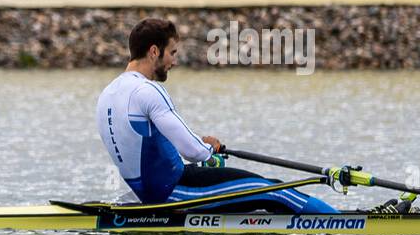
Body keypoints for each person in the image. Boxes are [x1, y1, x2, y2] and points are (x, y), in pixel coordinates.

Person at [96, 19, 338, 213]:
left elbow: (145, 143)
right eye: (172, 52)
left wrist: (201, 146)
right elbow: (192, 152)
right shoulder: (147, 91)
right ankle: (342, 224)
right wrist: (209, 151)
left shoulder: (107, 95)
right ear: (153, 52)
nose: (174, 61)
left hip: (149, 193)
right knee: (273, 190)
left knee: (253, 193)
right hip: (176, 190)